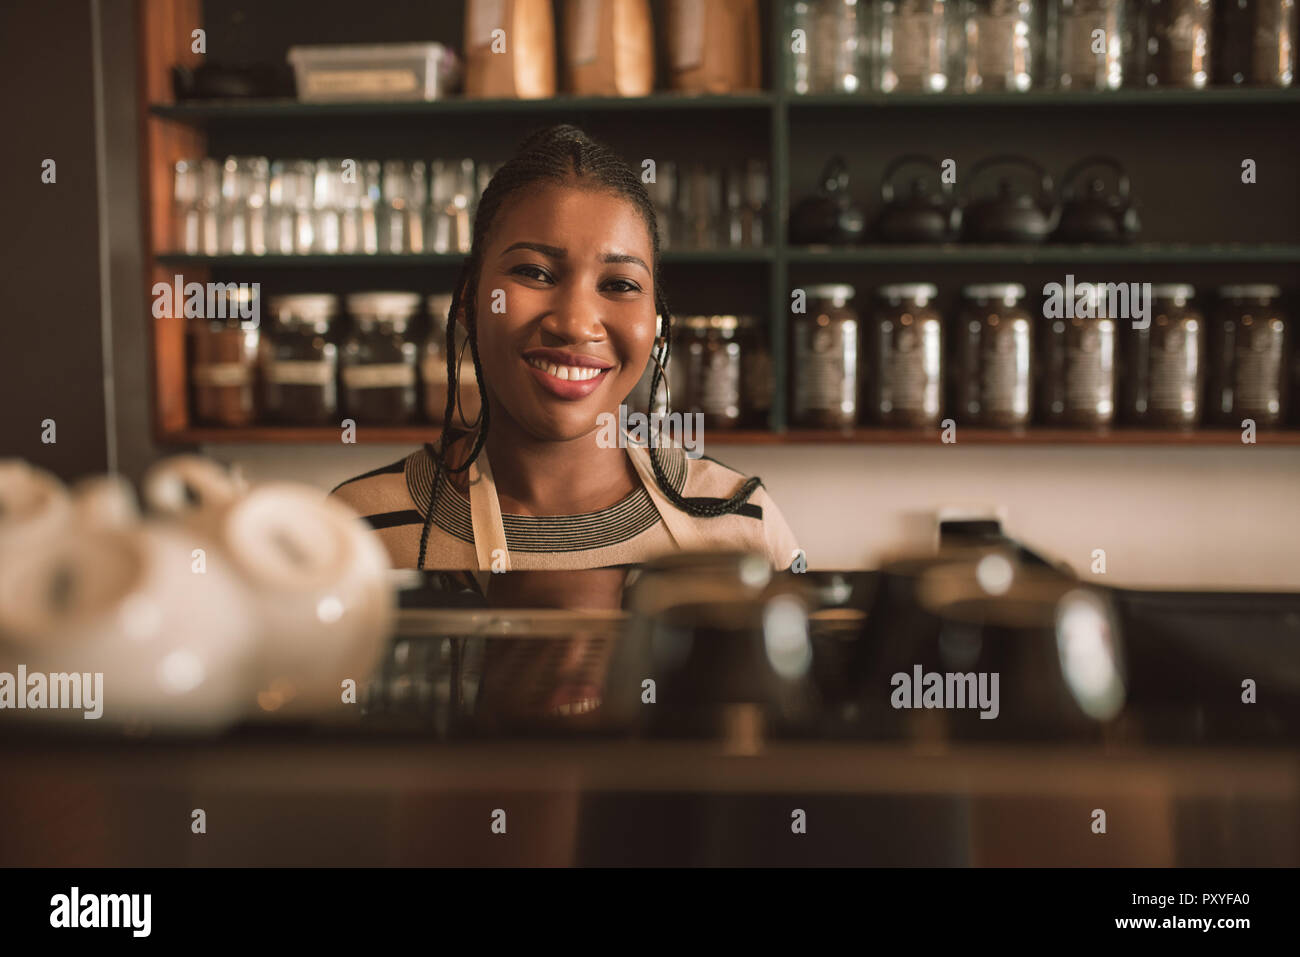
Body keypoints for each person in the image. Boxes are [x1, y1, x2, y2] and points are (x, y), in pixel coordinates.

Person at [332, 125, 798, 571]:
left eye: (619, 283)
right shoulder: (352, 534)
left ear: (656, 322)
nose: (575, 325)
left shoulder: (744, 526)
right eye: (534, 273)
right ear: (469, 301)